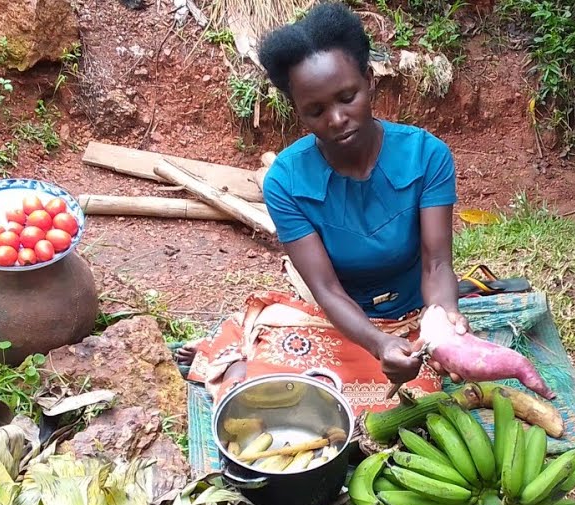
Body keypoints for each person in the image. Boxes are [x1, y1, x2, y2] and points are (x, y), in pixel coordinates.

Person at [182, 1, 468, 414]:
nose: (336, 118)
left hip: (417, 315)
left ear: (369, 82)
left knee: (432, 386)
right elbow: (328, 291)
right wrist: (379, 343)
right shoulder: (285, 181)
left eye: (347, 97)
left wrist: (443, 324)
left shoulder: (427, 155)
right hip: (340, 322)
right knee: (273, 391)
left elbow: (436, 265)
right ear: (298, 112)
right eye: (315, 110)